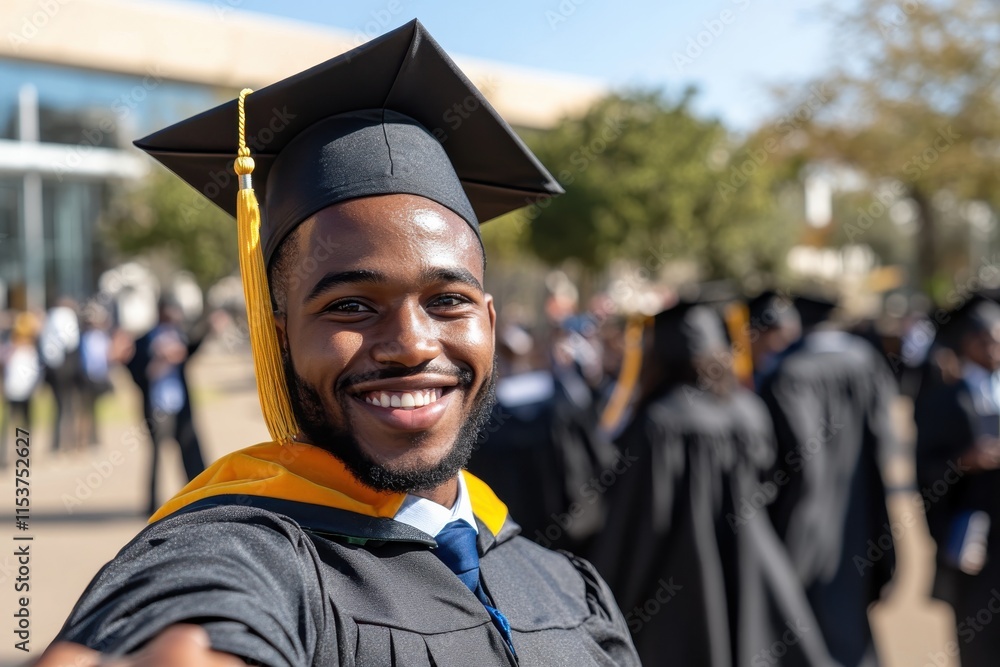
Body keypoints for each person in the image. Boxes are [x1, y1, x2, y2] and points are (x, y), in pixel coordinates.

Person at [42, 21, 639, 666]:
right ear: (277, 338)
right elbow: (191, 610)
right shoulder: (245, 554)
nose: (411, 344)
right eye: (350, 305)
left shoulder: (568, 586)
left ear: (489, 322)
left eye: (448, 300)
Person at [588, 300, 835, 666]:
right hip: (754, 570)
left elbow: (637, 526)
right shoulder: (750, 412)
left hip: (678, 589)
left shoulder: (658, 424)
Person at [757, 295, 897, 667]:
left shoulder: (785, 372)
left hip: (802, 523)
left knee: (804, 622)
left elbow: (780, 465)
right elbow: (886, 441)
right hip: (861, 512)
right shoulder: (863, 361)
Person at [914, 295, 1000, 666]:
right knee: (978, 630)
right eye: (989, 339)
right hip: (971, 533)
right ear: (968, 343)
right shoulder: (943, 401)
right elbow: (924, 468)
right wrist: (962, 462)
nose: (996, 348)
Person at [125, 298, 208, 516]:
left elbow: (191, 349)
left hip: (180, 405)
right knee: (155, 456)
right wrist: (157, 361)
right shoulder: (143, 341)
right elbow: (134, 371)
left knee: (191, 451)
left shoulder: (180, 335)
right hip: (156, 408)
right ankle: (151, 504)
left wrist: (209, 328)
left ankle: (201, 498)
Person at [39, 297, 82, 453]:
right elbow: (69, 341)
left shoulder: (50, 316)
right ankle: (66, 443)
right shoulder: (65, 315)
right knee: (67, 404)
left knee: (58, 405)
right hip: (65, 364)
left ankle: (57, 443)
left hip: (52, 366)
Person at [0, 311, 42, 466]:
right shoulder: (10, 350)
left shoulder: (28, 350)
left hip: (24, 392)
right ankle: (4, 456)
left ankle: (22, 454)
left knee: (24, 424)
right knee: (10, 424)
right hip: (13, 391)